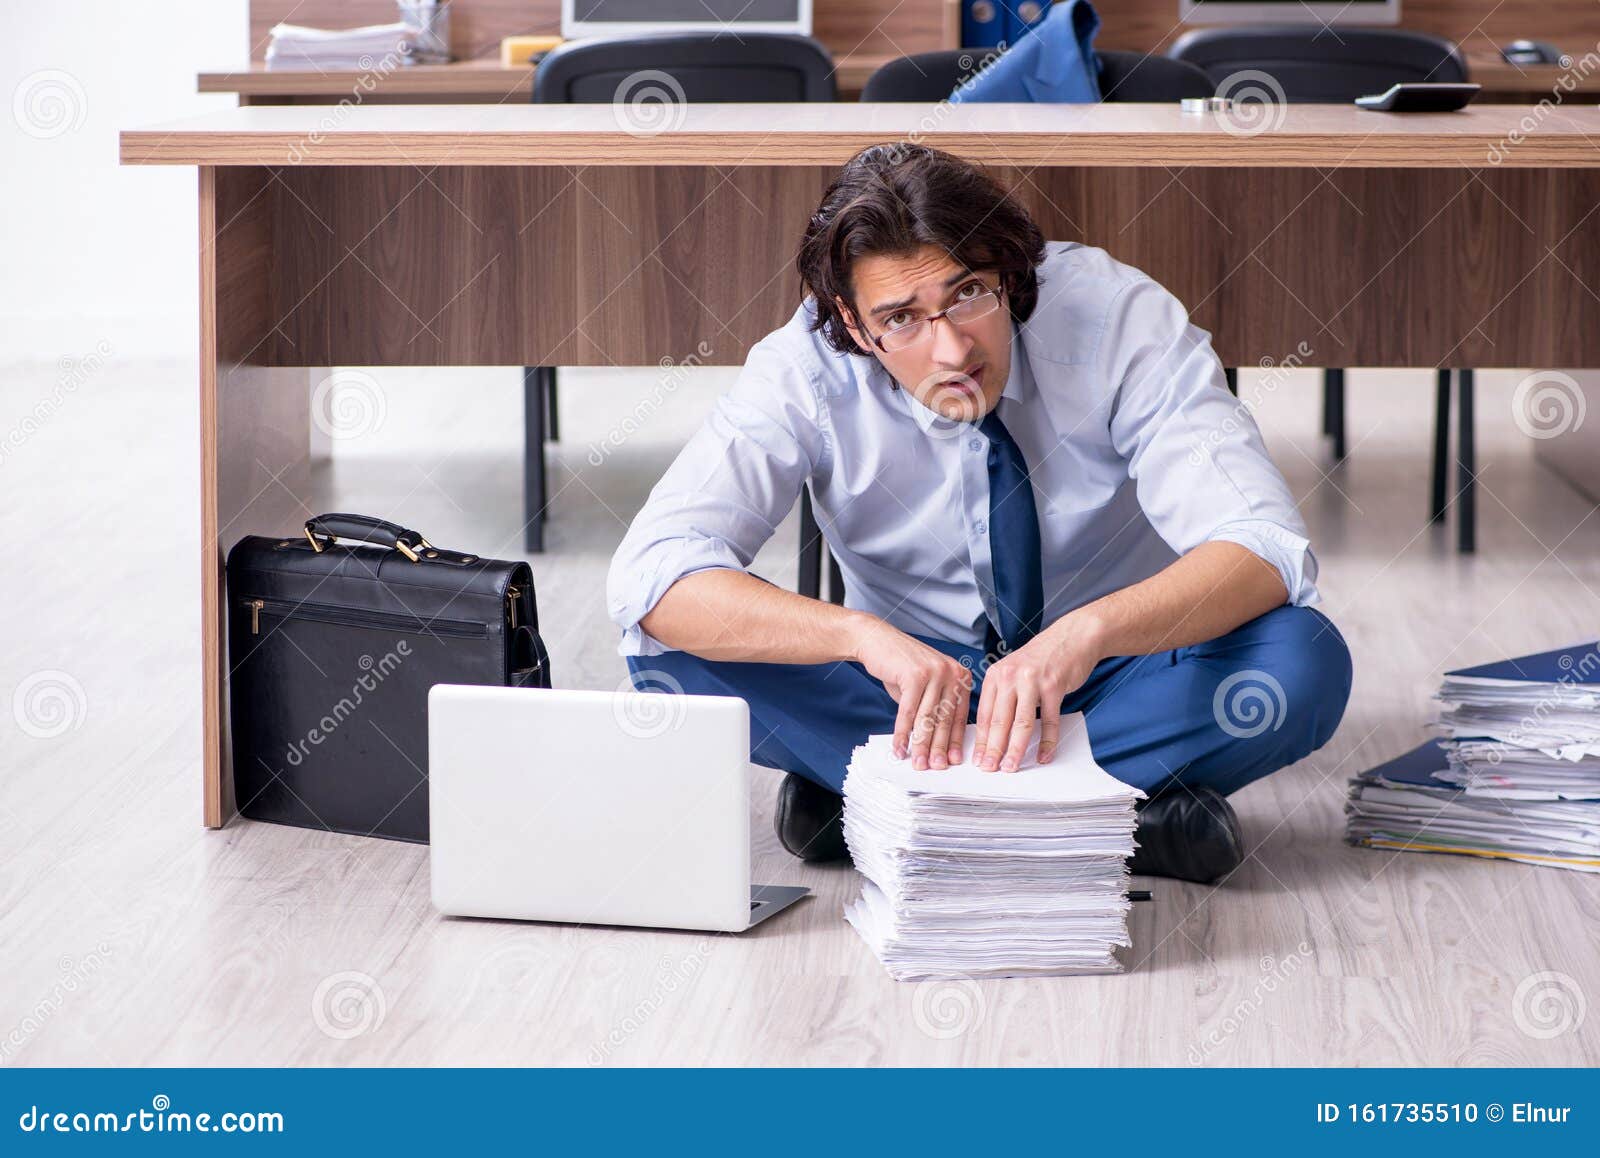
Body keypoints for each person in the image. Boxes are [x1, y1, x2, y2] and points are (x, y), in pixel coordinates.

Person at [606, 144, 1351, 883]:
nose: (951, 348)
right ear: (854, 324)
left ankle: (880, 799)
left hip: (1112, 671)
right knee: (667, 659)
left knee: (1299, 659)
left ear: (1010, 271)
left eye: (968, 293)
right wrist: (860, 635)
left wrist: (1086, 634)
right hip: (908, 691)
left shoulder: (1120, 319)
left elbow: (1261, 545)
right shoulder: (801, 369)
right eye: (901, 318)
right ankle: (1113, 817)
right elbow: (656, 574)